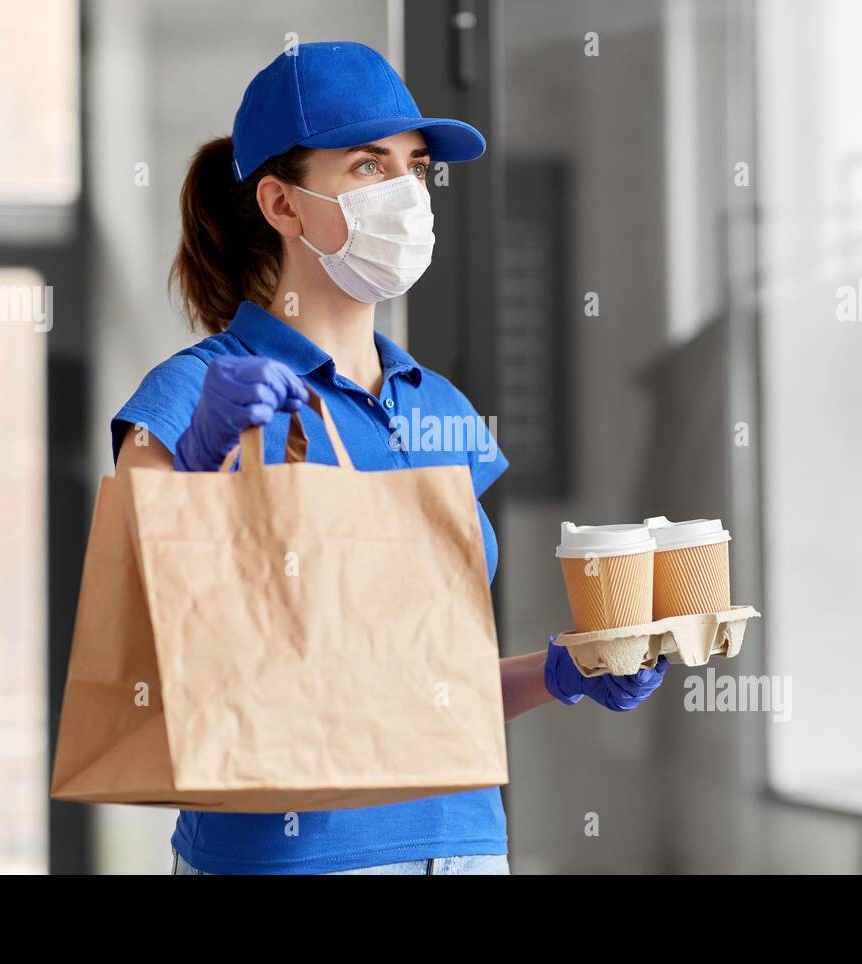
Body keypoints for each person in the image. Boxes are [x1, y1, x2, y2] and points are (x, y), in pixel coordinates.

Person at [110, 40, 668, 876]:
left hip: (465, 847)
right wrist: (199, 458)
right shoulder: (193, 393)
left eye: (416, 169)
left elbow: (415, 683)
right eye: (370, 168)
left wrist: (561, 674)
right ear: (282, 205)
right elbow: (137, 622)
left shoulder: (437, 405)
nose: (408, 194)